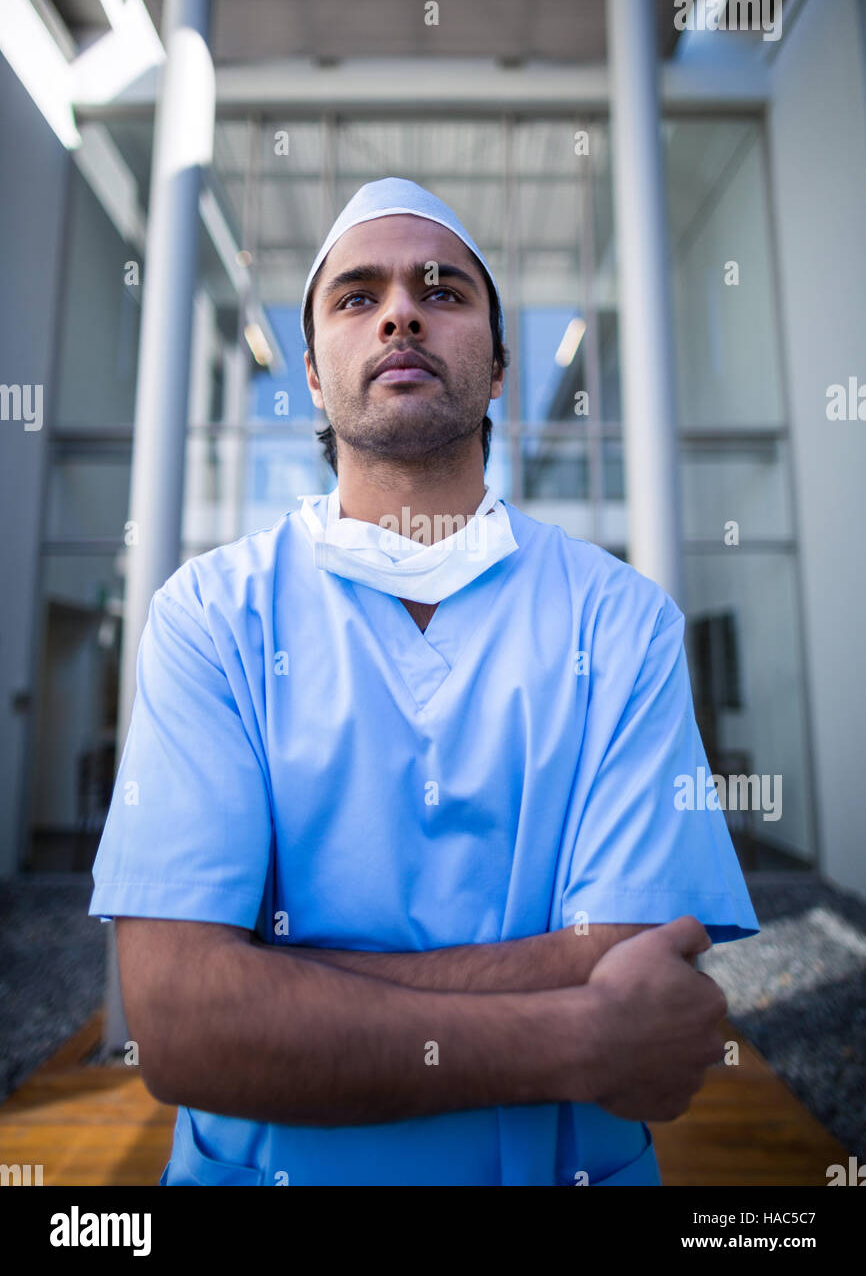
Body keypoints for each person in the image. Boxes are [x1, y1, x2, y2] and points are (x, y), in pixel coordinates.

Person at [89, 177, 760, 1187]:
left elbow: (633, 953)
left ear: (495, 366)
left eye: (441, 291)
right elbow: (184, 1026)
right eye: (356, 297)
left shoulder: (618, 622)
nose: (400, 309)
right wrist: (577, 1037)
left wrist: (272, 978)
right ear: (311, 373)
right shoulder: (212, 618)